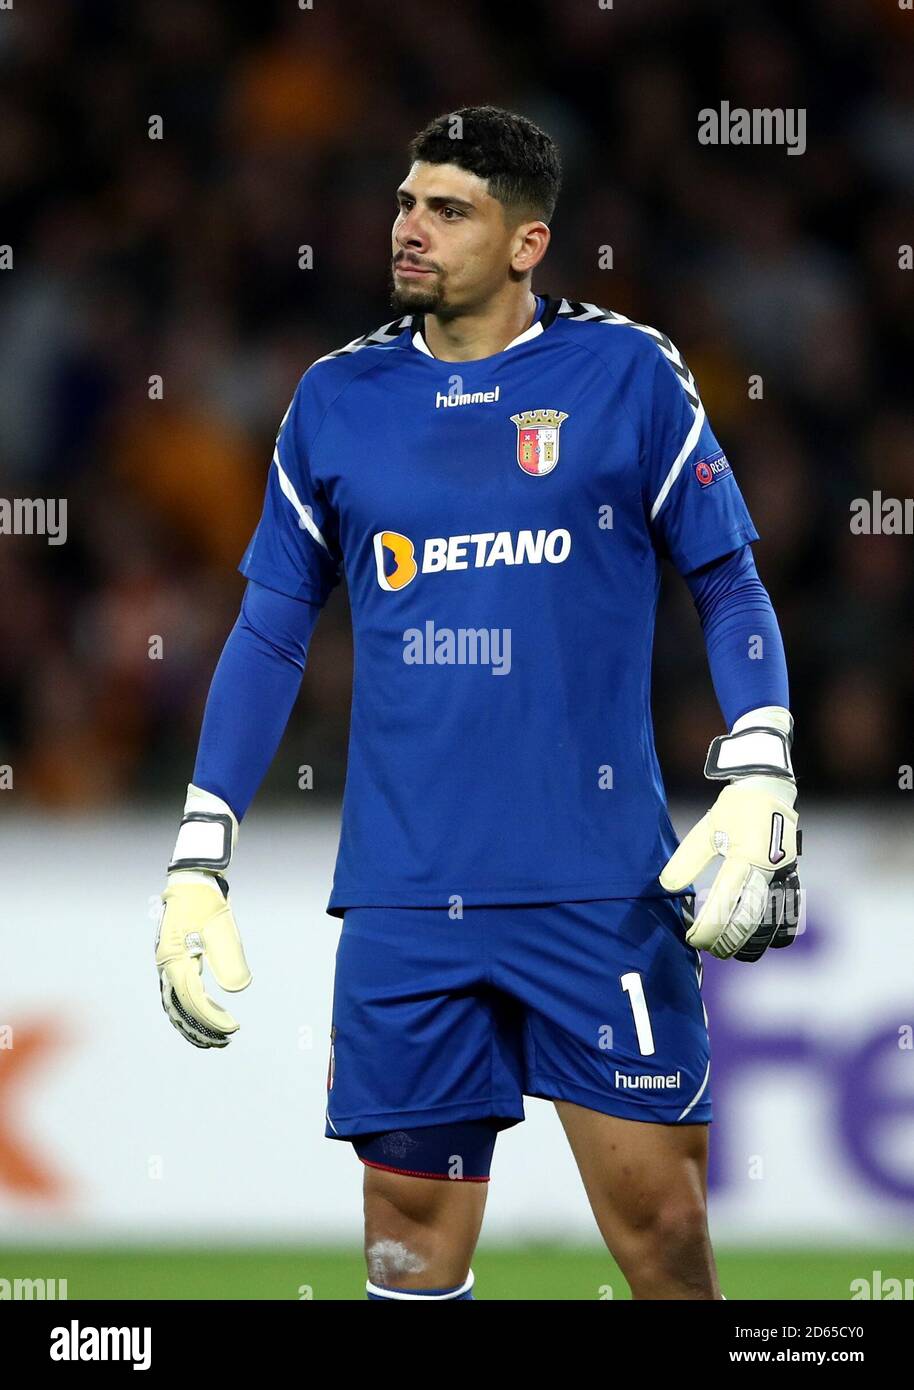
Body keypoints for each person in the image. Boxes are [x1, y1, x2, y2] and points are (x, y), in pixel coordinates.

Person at [154, 105, 801, 1301]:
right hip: (406, 891)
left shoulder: (624, 372)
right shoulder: (337, 398)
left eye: (446, 209)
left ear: (525, 242)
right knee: (405, 1245)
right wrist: (201, 849)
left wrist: (759, 752)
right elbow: (269, 627)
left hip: (597, 884)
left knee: (661, 1232)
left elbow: (726, 579)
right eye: (404, 201)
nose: (408, 228)